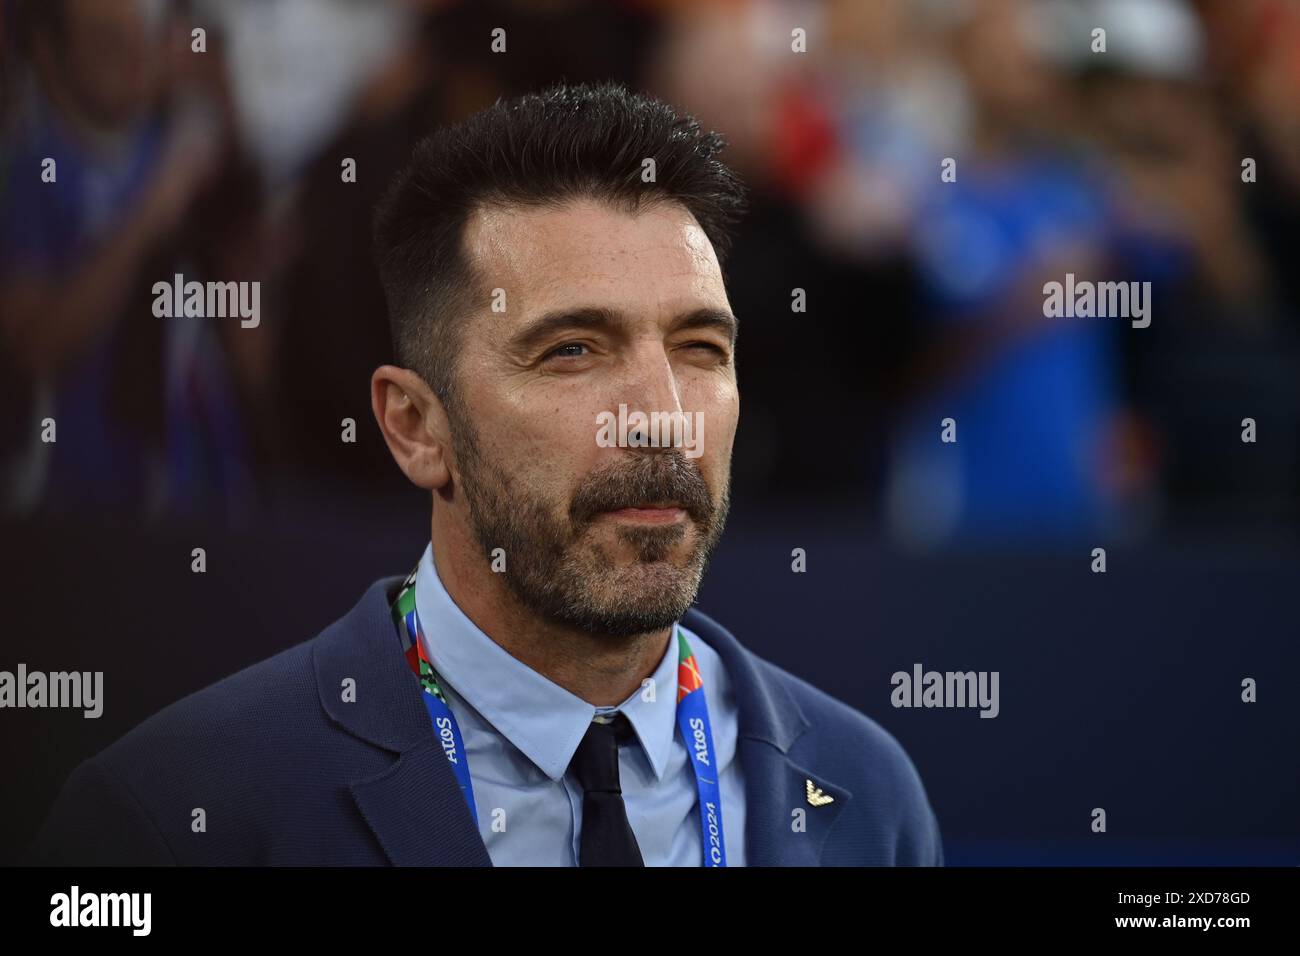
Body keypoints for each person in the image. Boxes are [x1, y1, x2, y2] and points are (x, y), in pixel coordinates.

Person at [25, 82, 942, 867]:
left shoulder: (868, 796)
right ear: (416, 428)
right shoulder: (177, 814)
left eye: (701, 347)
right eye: (574, 349)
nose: (660, 416)